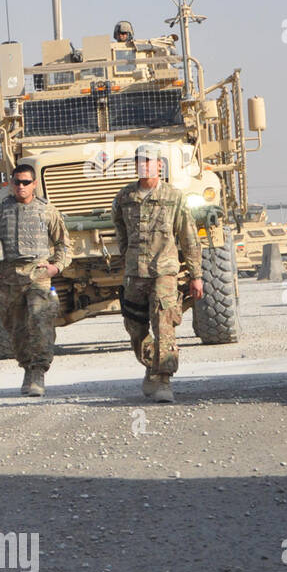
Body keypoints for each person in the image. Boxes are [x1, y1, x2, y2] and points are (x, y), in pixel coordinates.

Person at [111, 142, 204, 403]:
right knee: (135, 327)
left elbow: (189, 238)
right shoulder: (125, 197)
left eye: (150, 161)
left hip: (164, 271)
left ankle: (163, 380)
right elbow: (120, 230)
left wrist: (196, 275)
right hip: (134, 273)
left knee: (164, 324)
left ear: (159, 166)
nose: (145, 165)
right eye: (140, 161)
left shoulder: (174, 198)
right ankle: (151, 365)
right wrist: (127, 256)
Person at [0, 161, 72, 396]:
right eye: (16, 182)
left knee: (40, 323)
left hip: (38, 277)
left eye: (26, 182)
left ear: (34, 184)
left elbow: (64, 244)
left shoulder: (47, 210)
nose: (21, 186)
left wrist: (56, 267)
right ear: (11, 184)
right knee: (16, 330)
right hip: (9, 279)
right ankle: (27, 368)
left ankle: (38, 372)